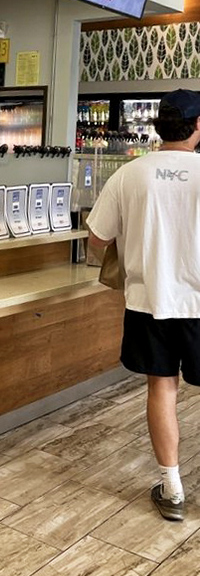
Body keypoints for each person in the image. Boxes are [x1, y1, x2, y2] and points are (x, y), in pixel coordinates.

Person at [87, 88, 200, 523]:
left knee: (162, 387)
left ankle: (171, 489)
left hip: (149, 301)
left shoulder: (130, 175)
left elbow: (97, 238)